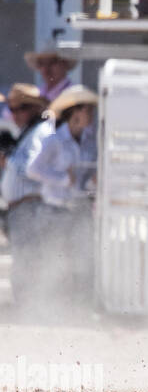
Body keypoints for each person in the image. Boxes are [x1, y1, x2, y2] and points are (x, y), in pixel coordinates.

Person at [26, 85, 98, 295]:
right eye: (88, 110)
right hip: (54, 211)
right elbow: (33, 169)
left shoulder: (89, 143)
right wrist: (63, 179)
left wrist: (92, 182)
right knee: (55, 260)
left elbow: (85, 180)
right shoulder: (54, 141)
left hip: (78, 209)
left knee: (81, 261)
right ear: (75, 111)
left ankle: (77, 307)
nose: (91, 115)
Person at [0, 84, 53, 313]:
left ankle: (30, 307)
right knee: (24, 258)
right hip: (22, 208)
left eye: (20, 108)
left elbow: (33, 169)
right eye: (12, 109)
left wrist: (8, 159)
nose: (14, 113)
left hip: (29, 207)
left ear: (33, 109)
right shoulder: (29, 133)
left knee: (27, 259)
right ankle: (29, 306)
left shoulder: (40, 132)